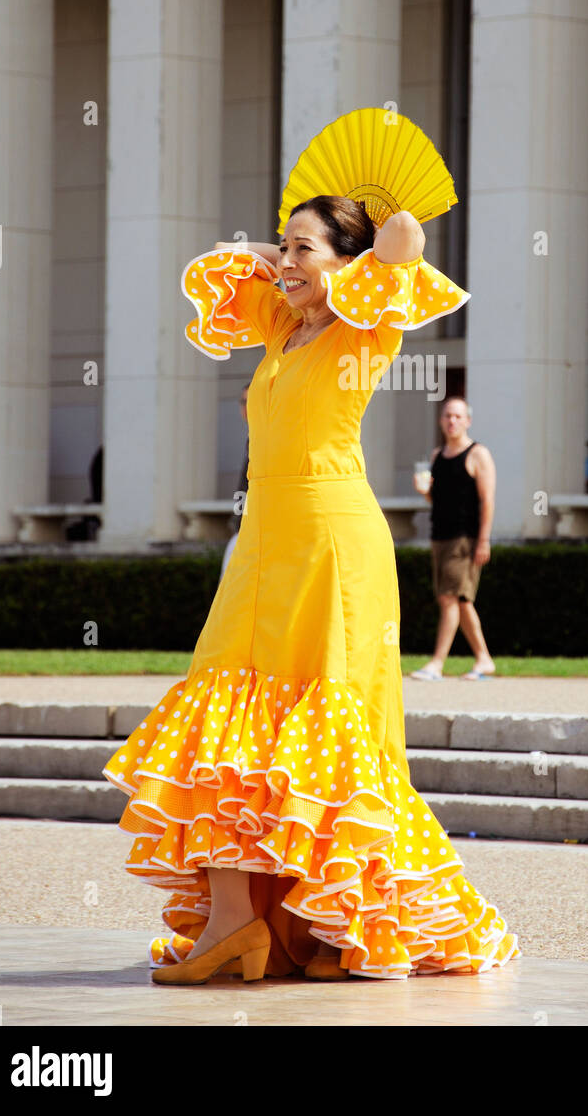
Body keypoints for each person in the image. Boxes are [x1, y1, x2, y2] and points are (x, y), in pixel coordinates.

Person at [102, 195, 519, 984]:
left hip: (332, 541)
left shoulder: (367, 325)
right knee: (227, 717)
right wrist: (292, 252)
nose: (284, 263)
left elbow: (402, 242)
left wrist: (361, 236)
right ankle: (238, 926)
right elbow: (240, 260)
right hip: (265, 535)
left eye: (304, 250)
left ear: (347, 266)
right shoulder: (280, 327)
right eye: (284, 247)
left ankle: (327, 925)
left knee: (323, 729)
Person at [410, 397, 497, 681]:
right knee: (460, 600)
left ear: (467, 421)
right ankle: (484, 659)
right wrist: (423, 491)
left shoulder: (478, 454)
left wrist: (483, 540)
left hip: (465, 538)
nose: (452, 421)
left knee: (449, 598)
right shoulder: (436, 456)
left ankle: (436, 664)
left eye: (458, 416)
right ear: (441, 420)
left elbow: (487, 501)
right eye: (448, 416)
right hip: (440, 536)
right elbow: (438, 500)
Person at [219, 383, 250, 581]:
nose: (246, 408)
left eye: (250, 401)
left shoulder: (267, 436)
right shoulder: (251, 437)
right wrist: (238, 522)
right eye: (243, 402)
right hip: (243, 531)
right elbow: (243, 488)